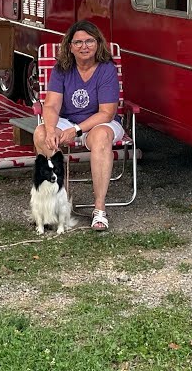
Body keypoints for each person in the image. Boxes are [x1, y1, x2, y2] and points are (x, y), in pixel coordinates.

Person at [33, 20, 125, 231]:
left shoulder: (106, 69)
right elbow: (52, 105)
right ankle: (56, 207)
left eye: (89, 41)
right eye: (78, 42)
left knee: (101, 137)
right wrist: (50, 130)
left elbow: (107, 112)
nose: (84, 46)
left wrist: (75, 130)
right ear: (70, 46)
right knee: (40, 134)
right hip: (68, 120)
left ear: (98, 44)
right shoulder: (62, 69)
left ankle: (99, 209)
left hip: (100, 122)